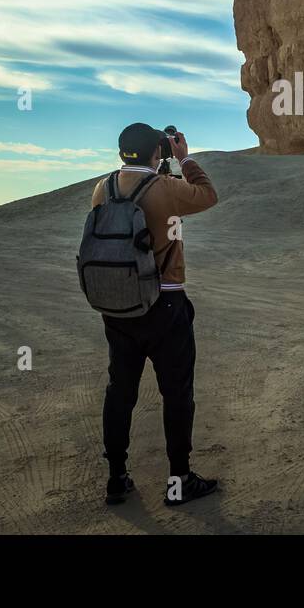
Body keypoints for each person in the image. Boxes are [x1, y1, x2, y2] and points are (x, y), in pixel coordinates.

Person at [94, 122, 220, 507]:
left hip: (118, 305)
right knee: (176, 393)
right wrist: (185, 158)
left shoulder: (104, 187)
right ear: (158, 152)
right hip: (165, 304)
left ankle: (117, 478)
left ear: (120, 154)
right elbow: (208, 195)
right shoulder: (165, 187)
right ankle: (179, 481)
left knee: (121, 392)